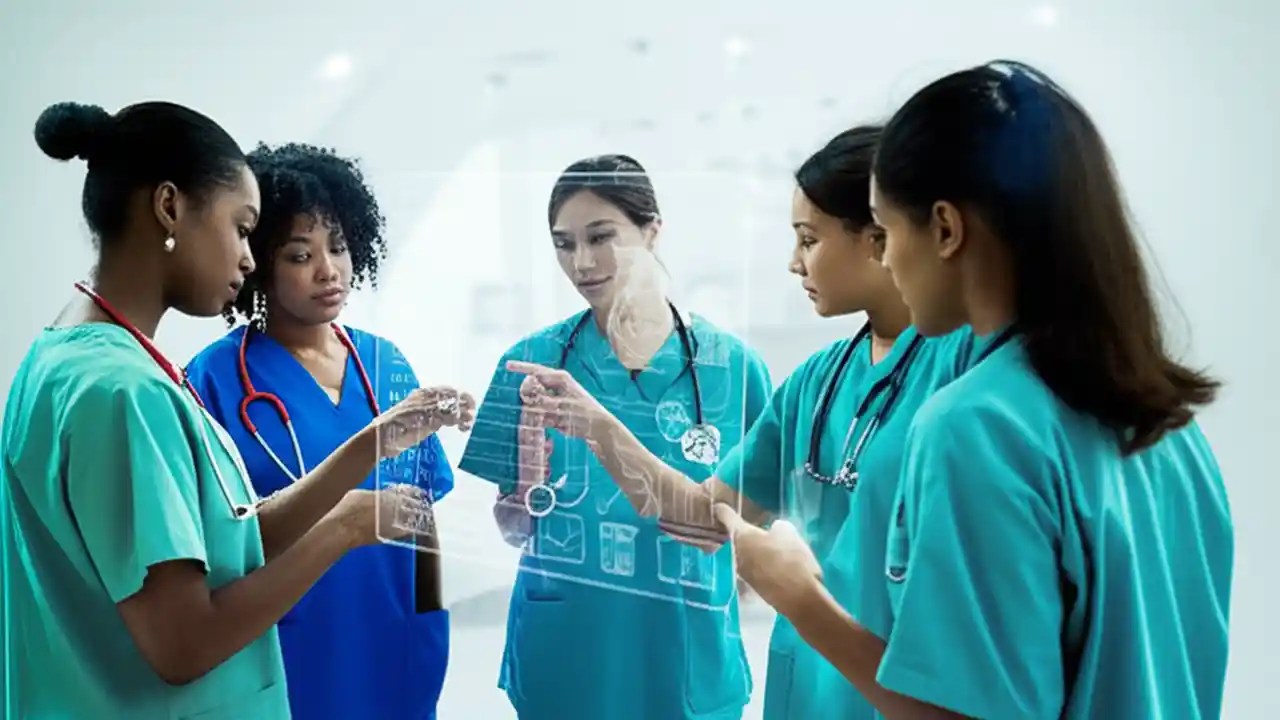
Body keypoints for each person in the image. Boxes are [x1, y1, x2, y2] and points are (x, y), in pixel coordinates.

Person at [716, 60, 1234, 719]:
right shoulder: (1170, 427)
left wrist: (800, 598)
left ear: (945, 229)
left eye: (887, 232)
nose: (886, 258)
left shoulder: (975, 427)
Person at [1, 102, 470, 719]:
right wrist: (345, 528)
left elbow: (230, 537)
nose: (247, 258)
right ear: (170, 207)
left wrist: (369, 446)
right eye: (243, 228)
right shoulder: (125, 392)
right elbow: (184, 643)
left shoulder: (62, 359)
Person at [506, 127, 974, 720]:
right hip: (813, 684)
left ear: (880, 235)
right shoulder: (814, 383)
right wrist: (598, 428)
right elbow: (702, 516)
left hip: (911, 685)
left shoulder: (967, 365)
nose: (794, 262)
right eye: (565, 243)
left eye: (809, 239)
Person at [458, 154, 773, 720]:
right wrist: (523, 490)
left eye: (601, 237)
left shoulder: (733, 367)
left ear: (652, 231)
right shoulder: (530, 364)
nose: (581, 262)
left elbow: (756, 530)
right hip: (568, 649)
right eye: (564, 244)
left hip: (685, 650)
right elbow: (512, 528)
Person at [183, 142, 465, 720]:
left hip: (395, 643)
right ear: (258, 260)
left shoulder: (385, 364)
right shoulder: (214, 380)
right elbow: (218, 544)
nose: (328, 270)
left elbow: (424, 518)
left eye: (337, 247)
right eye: (299, 255)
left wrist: (430, 619)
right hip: (290, 650)